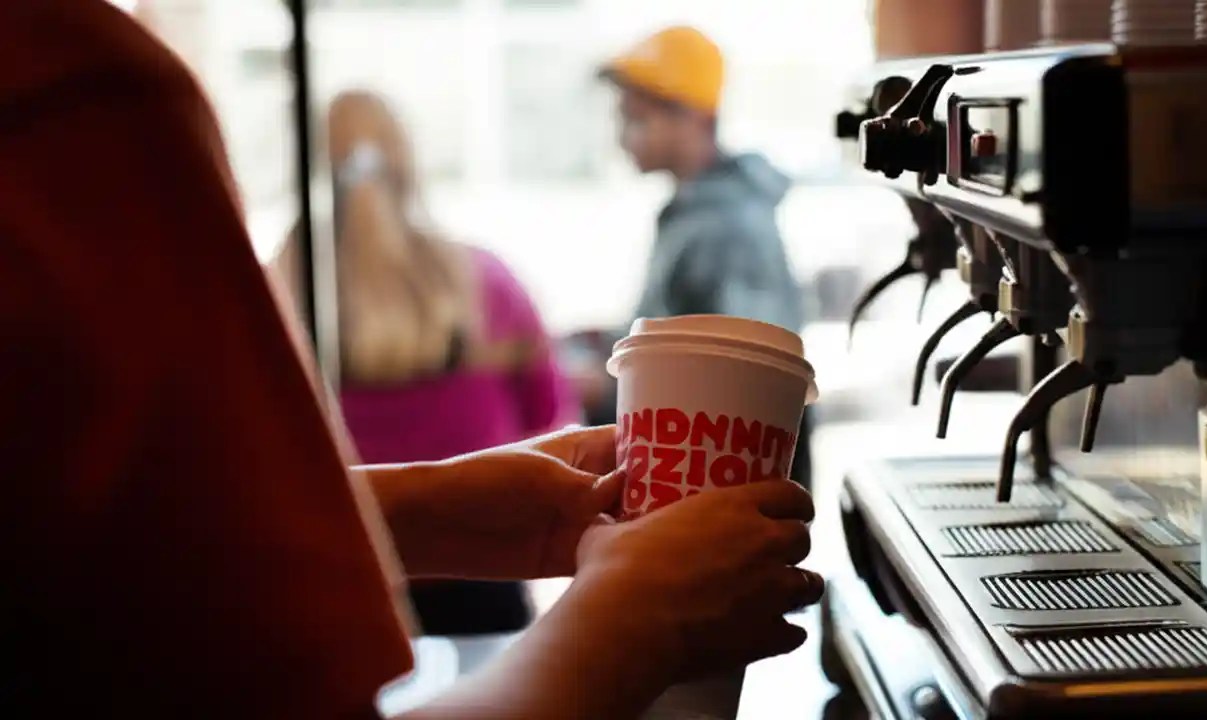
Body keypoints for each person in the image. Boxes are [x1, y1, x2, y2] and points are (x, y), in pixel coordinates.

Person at [0, 2, 821, 717]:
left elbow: (114, 549)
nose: (624, 132)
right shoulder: (72, 98)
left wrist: (420, 509)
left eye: (639, 114)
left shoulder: (284, 264)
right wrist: (638, 618)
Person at [276, 91, 577, 666]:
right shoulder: (488, 282)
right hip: (487, 577)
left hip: (339, 581)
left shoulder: (279, 291)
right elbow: (547, 419)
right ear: (405, 162)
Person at [592, 26, 813, 487]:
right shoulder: (694, 213)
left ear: (696, 119)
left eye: (637, 120)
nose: (623, 139)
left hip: (722, 495)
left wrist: (601, 385)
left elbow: (746, 392)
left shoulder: (729, 227)